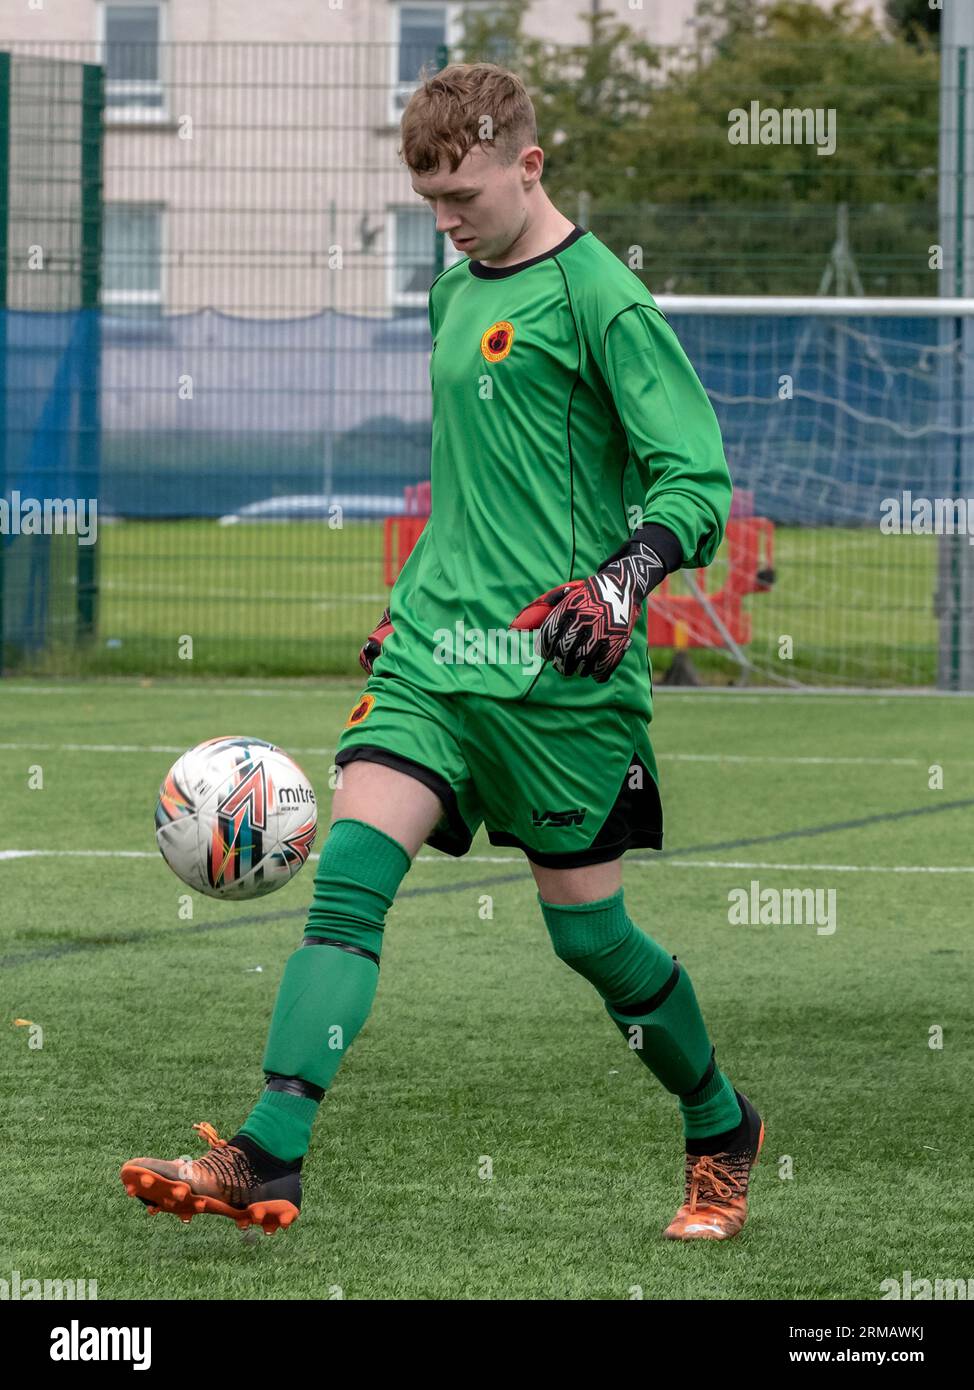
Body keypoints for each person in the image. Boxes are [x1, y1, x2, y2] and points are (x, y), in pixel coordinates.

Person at [122, 62, 762, 1243]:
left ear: (528, 164)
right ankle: (265, 1156)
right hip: (434, 659)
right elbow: (472, 488)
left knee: (593, 942)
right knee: (347, 893)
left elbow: (695, 483)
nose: (446, 219)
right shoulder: (452, 291)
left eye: (462, 193)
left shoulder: (604, 300)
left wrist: (618, 585)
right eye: (427, 201)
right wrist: (405, 606)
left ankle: (719, 1126)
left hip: (558, 681)